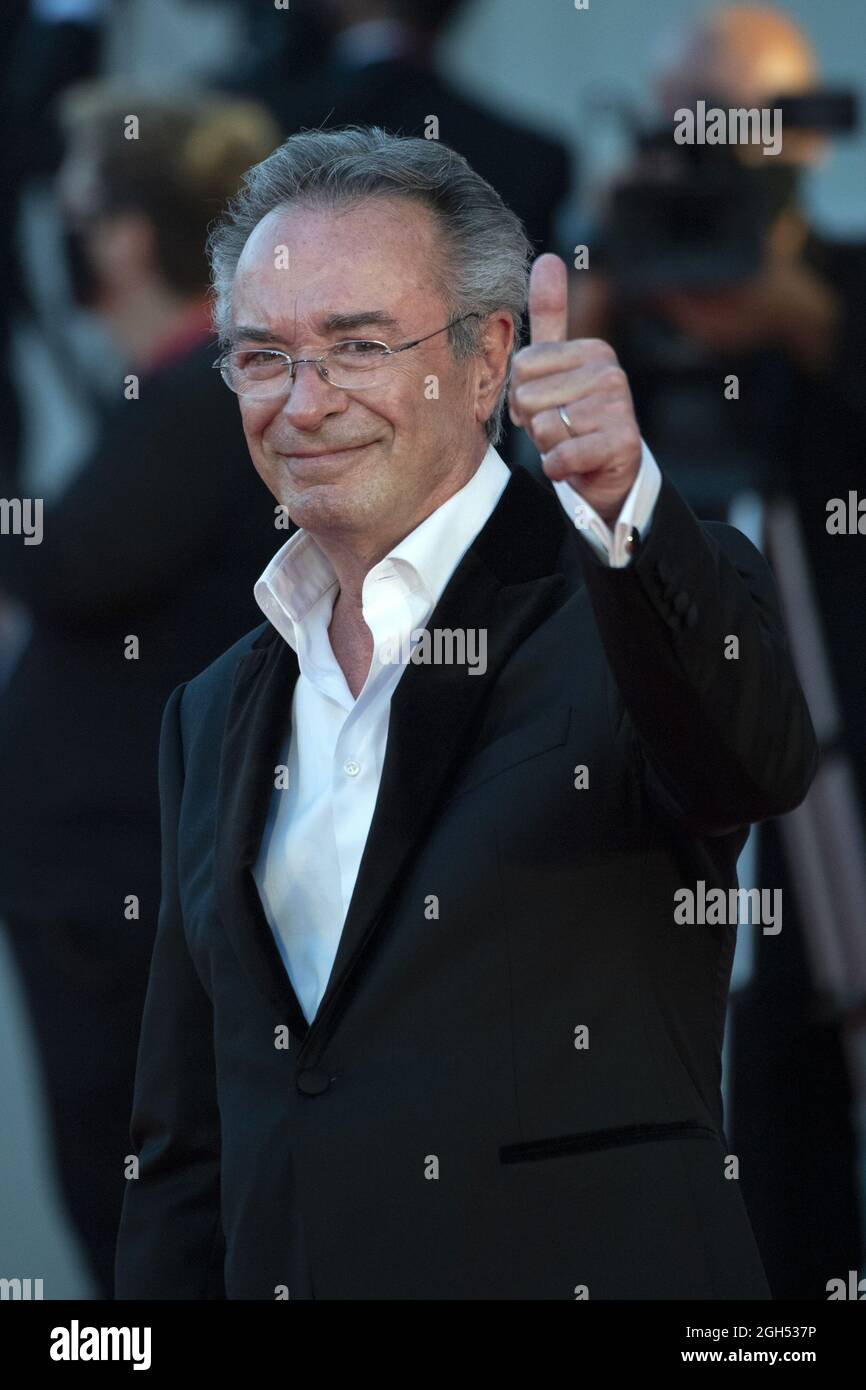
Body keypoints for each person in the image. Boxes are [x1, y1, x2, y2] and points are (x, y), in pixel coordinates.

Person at [115, 125, 816, 1300]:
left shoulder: (630, 595)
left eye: (357, 345)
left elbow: (747, 759)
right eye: (260, 356)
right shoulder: (211, 709)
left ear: (488, 358)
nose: (304, 403)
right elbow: (185, 1148)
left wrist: (620, 506)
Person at [0, 84, 280, 1297]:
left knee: (140, 1219)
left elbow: (66, 565)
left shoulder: (205, 394)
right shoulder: (185, 389)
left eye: (69, 208)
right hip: (114, 877)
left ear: (120, 237)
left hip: (129, 885)